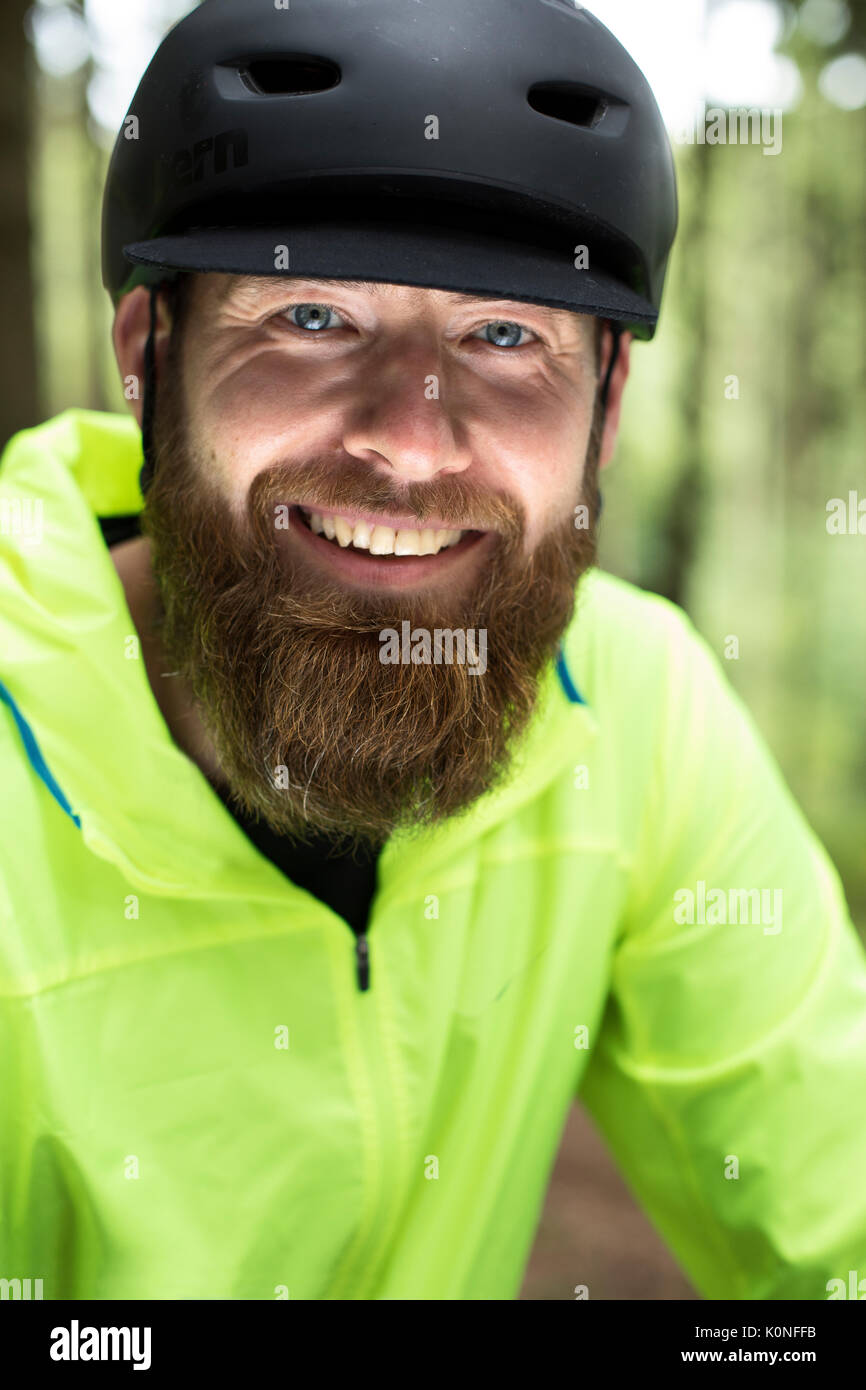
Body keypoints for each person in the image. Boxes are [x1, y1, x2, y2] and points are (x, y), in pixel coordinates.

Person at [1, 0, 864, 1303]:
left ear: (609, 405)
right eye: (310, 316)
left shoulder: (633, 702)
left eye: (506, 336)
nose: (408, 442)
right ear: (147, 358)